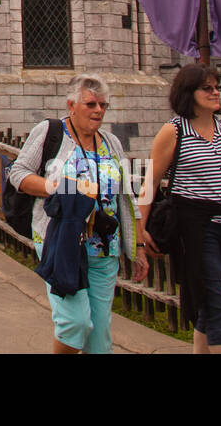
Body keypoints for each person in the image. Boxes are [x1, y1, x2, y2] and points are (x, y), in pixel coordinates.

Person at [8, 73, 145, 354]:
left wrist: (138, 246)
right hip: (62, 244)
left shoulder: (111, 142)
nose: (98, 111)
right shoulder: (51, 132)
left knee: (100, 333)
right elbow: (18, 173)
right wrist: (55, 187)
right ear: (72, 105)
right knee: (76, 323)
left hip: (104, 249)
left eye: (103, 105)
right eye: (91, 104)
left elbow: (127, 196)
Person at [139, 64, 221, 353]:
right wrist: (141, 230)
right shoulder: (173, 131)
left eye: (217, 87)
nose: (215, 93)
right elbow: (151, 182)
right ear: (189, 93)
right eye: (207, 88)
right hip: (195, 227)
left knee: (208, 300)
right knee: (219, 299)